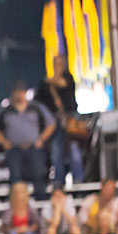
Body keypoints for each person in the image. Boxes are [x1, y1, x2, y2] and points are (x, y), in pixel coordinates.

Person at [0, 84, 55, 199]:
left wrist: (41, 139)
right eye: (16, 92)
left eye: (21, 91)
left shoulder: (36, 108)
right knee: (15, 177)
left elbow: (51, 123)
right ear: (12, 93)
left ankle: (40, 201)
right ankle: (15, 202)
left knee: (39, 174)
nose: (19, 94)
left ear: (25, 93)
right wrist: (4, 142)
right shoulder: (5, 110)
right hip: (14, 148)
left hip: (34, 147)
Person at [35, 54, 84, 188]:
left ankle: (78, 180)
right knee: (56, 151)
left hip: (69, 119)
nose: (57, 66)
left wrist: (49, 81)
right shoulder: (46, 85)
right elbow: (39, 100)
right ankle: (58, 181)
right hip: (54, 121)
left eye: (59, 63)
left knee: (74, 150)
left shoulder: (68, 78)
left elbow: (63, 84)